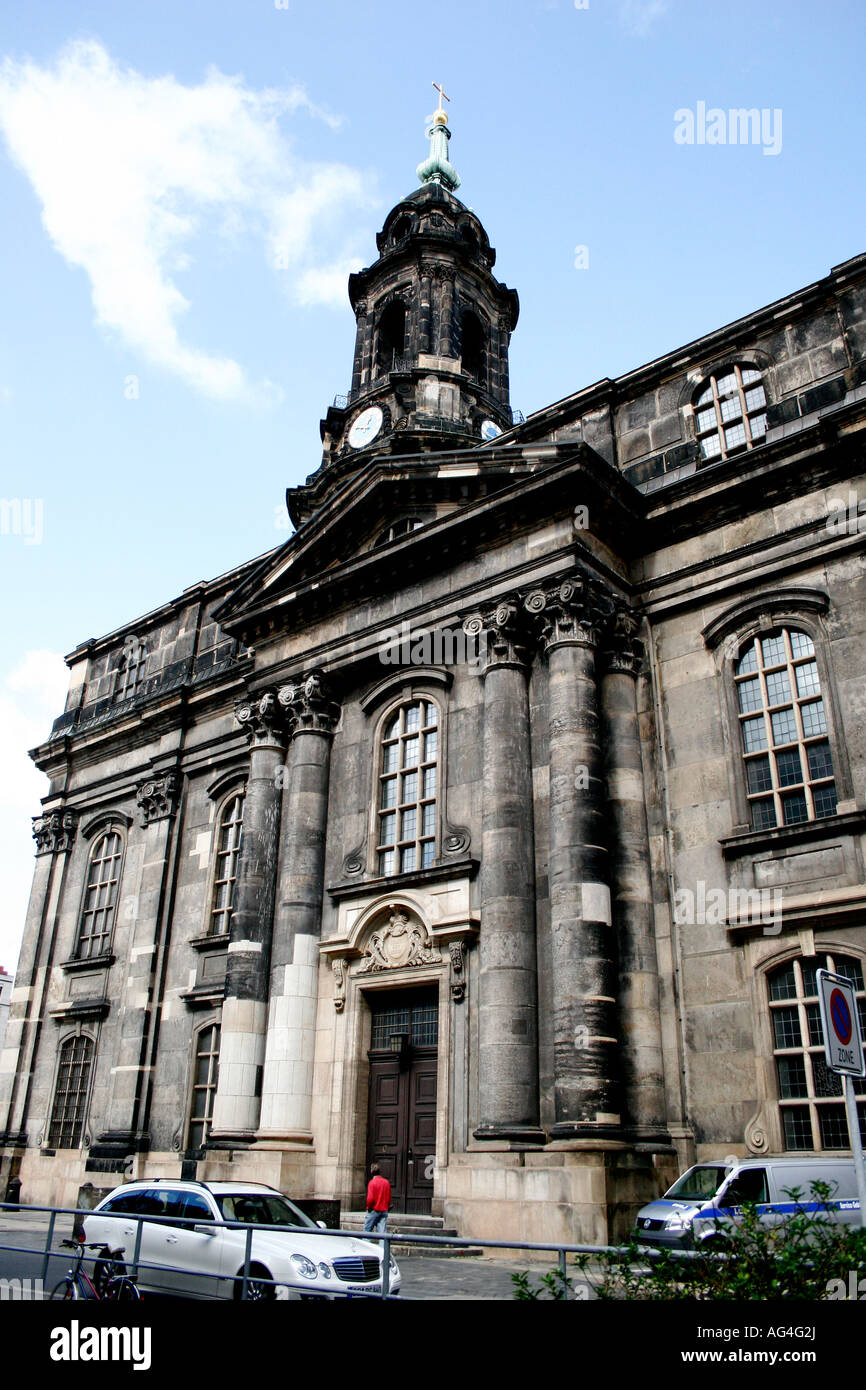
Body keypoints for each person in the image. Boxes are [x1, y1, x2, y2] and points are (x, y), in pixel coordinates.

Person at [364, 1163, 391, 1233]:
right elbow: (388, 1198)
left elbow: (370, 1199)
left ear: (371, 1172)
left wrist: (369, 1207)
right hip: (383, 1210)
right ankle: (383, 1244)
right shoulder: (386, 1182)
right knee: (382, 1234)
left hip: (373, 1210)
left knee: (367, 1232)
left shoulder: (372, 1183)